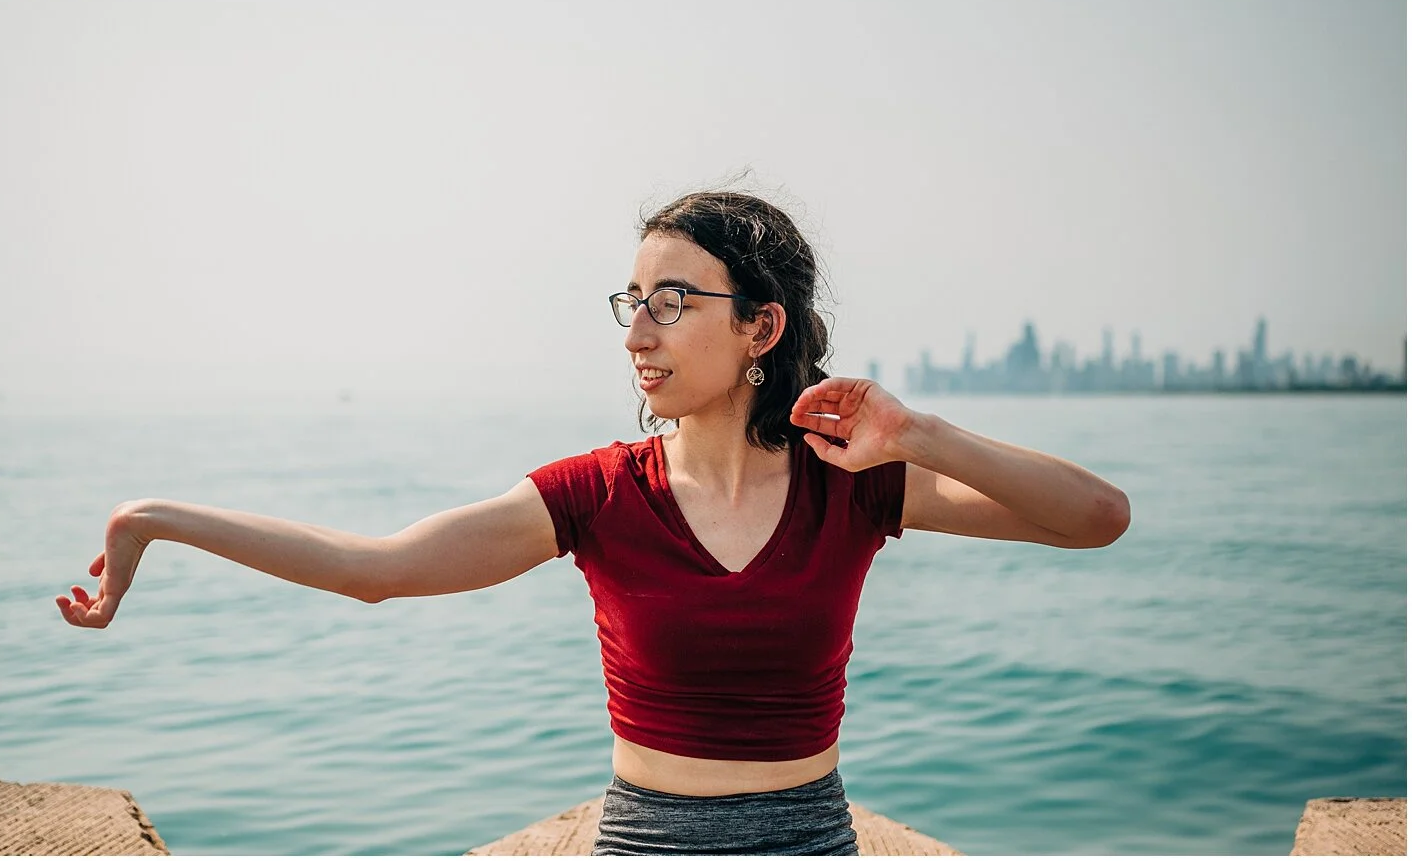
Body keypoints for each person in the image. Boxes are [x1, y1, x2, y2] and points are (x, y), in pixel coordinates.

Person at [58, 185, 1130, 856]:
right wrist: (154, 518)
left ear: (762, 325)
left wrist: (923, 432)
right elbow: (375, 568)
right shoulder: (597, 495)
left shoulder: (852, 478)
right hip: (642, 843)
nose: (637, 331)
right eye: (632, 301)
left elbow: (1095, 518)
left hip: (809, 839)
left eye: (673, 300)